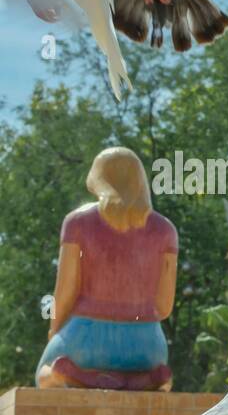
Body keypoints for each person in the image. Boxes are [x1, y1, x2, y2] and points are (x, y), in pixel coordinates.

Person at [37, 147, 178, 390]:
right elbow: (164, 307)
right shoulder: (166, 230)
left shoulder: (77, 222)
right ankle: (143, 379)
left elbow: (66, 289)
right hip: (147, 346)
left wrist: (56, 330)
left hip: (85, 339)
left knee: (43, 377)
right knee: (164, 385)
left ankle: (71, 374)